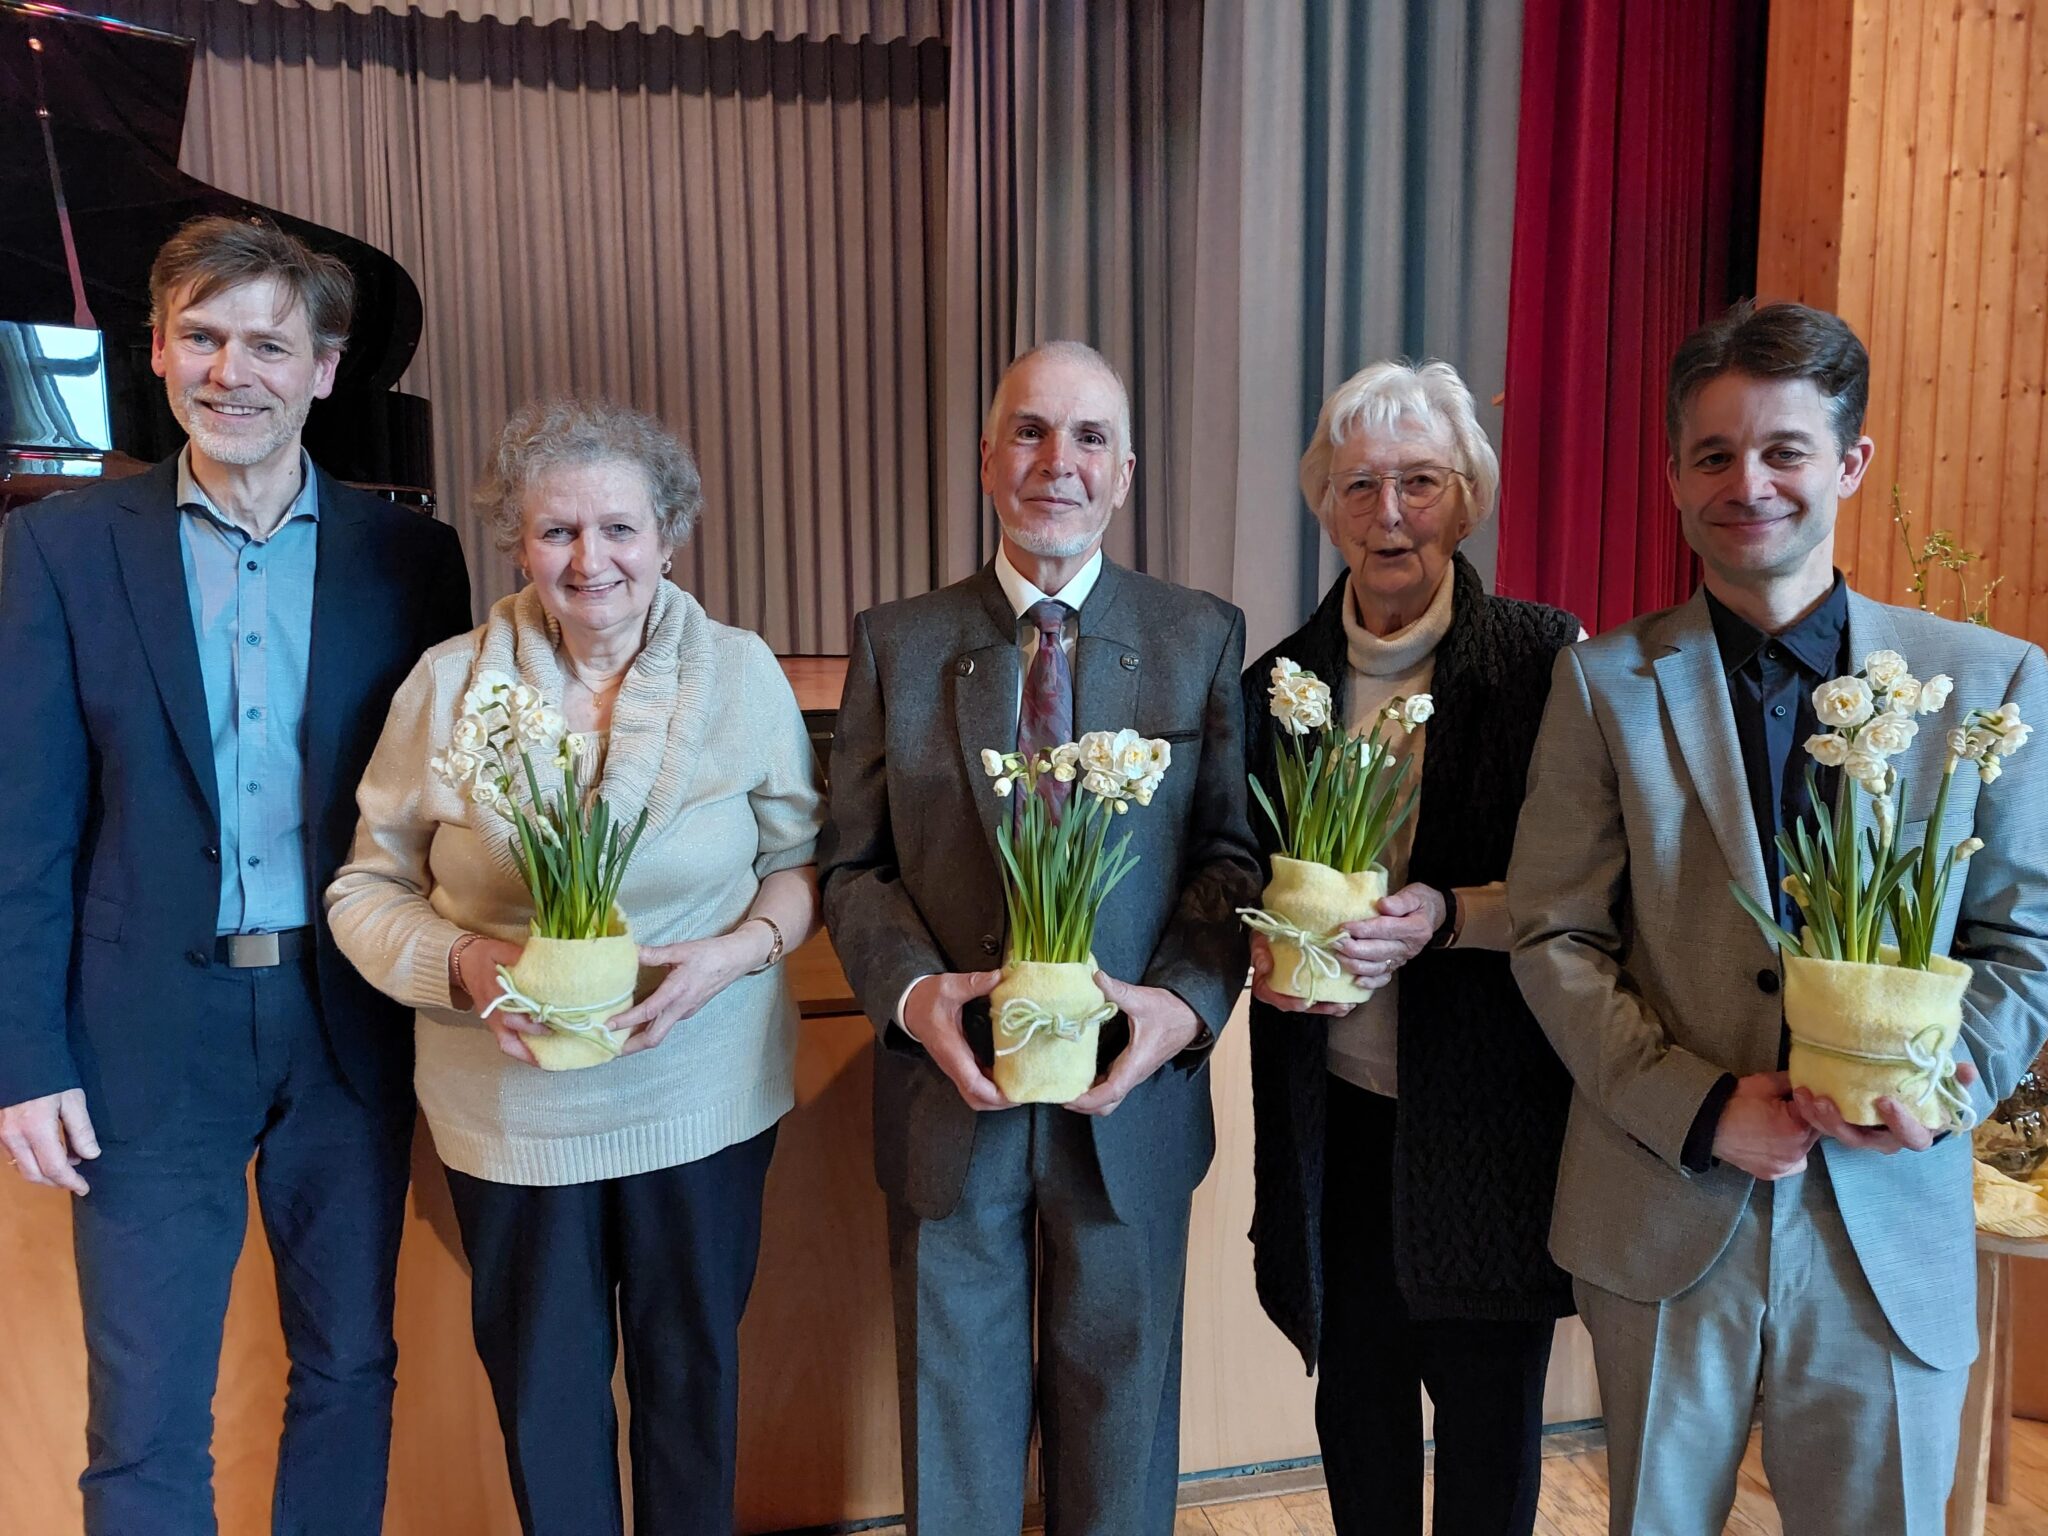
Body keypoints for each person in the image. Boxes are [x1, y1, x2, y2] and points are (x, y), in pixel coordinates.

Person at [1508, 301, 2048, 1535]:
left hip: (1889, 1226)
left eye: (1781, 451)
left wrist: (1942, 1088)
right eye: (1712, 455)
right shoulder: (1600, 687)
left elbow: (2022, 942)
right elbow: (1555, 935)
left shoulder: (1986, 681)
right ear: (1673, 477)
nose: (1746, 483)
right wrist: (1696, 1106)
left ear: (1847, 464)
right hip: (1663, 1209)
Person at [0, 215, 472, 1534]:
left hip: (349, 1022)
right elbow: (23, 822)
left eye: (268, 342)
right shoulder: (61, 548)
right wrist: (23, 1054)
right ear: (155, 350)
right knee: (143, 1414)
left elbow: (449, 804)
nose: (232, 371)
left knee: (348, 1366)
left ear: (326, 368)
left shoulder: (410, 560)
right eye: (202, 337)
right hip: (147, 1031)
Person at [325, 398, 823, 1536]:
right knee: (545, 1402)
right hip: (510, 1115)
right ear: (515, 542)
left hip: (701, 1093)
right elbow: (365, 886)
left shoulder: (741, 675)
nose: (590, 560)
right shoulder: (447, 686)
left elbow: (802, 866)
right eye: (557, 532)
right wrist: (466, 964)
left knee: (690, 1387)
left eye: (619, 529)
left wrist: (738, 954)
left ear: (668, 534)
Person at [819, 340, 1261, 1533]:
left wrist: (1182, 1006)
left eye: (1086, 439)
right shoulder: (895, 644)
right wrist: (915, 998)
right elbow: (852, 869)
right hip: (944, 1104)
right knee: (952, 1450)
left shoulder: (1199, 638)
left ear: (1124, 475)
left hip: (1129, 1109)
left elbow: (1230, 860)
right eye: (1027, 431)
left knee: (1119, 1451)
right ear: (984, 460)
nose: (1053, 463)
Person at [1242, 360, 1580, 1536]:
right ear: (1324, 506)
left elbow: (1585, 886)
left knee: (1488, 1448)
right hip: (1333, 1122)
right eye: (1358, 486)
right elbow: (1238, 869)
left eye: (1419, 483)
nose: (1388, 514)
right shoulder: (1277, 686)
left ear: (1468, 498)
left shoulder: (1545, 665)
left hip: (1489, 1121)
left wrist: (1447, 913)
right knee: (1362, 1430)